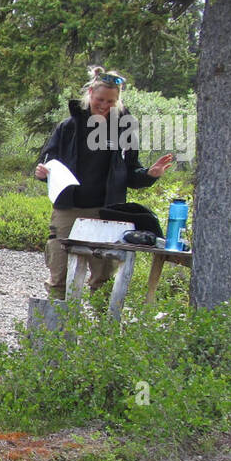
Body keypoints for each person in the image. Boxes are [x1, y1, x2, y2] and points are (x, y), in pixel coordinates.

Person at [35, 67, 175, 299]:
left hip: (107, 211)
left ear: (118, 100)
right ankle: (56, 329)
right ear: (90, 93)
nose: (104, 105)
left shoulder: (124, 130)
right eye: (100, 99)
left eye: (111, 101)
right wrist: (42, 172)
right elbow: (48, 162)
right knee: (59, 274)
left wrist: (150, 173)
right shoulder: (68, 127)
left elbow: (131, 173)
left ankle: (103, 331)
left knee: (103, 278)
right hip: (68, 209)